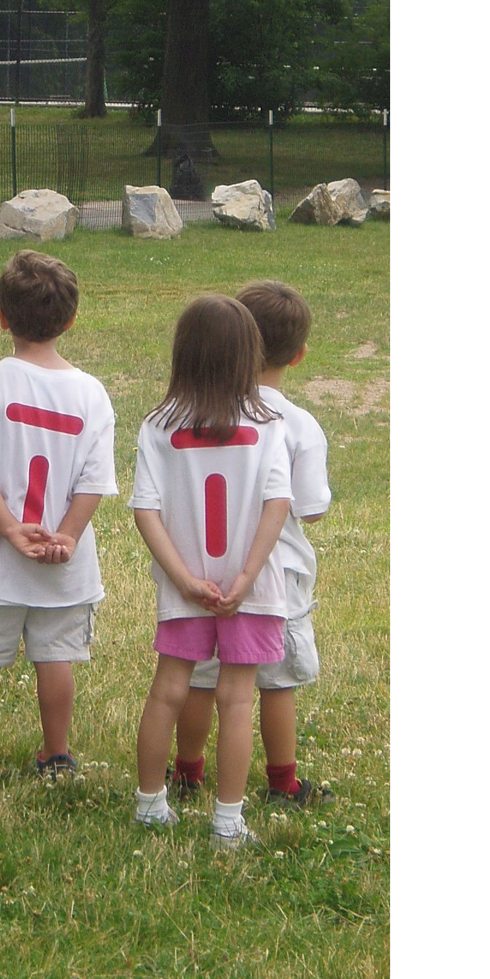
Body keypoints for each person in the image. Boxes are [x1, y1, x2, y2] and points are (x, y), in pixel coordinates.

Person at [0, 250, 117, 783]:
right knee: (56, 655)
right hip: (62, 557)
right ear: (71, 319)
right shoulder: (91, 392)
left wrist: (11, 529)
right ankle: (56, 754)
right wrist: (68, 536)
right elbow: (94, 479)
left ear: (2, 317)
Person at [128, 295, 293, 849]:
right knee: (238, 700)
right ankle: (227, 820)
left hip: (185, 588)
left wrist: (182, 579)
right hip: (255, 589)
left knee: (168, 690)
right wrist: (245, 578)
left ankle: (151, 803)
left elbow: (145, 511)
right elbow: (278, 504)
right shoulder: (269, 424)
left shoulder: (157, 425)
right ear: (250, 357)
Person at [169, 280, 334, 806]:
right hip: (275, 580)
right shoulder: (298, 423)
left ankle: (188, 773)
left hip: (202, 568)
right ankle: (283, 783)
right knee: (274, 680)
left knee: (200, 676)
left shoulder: (201, 410)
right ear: (300, 354)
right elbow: (310, 506)